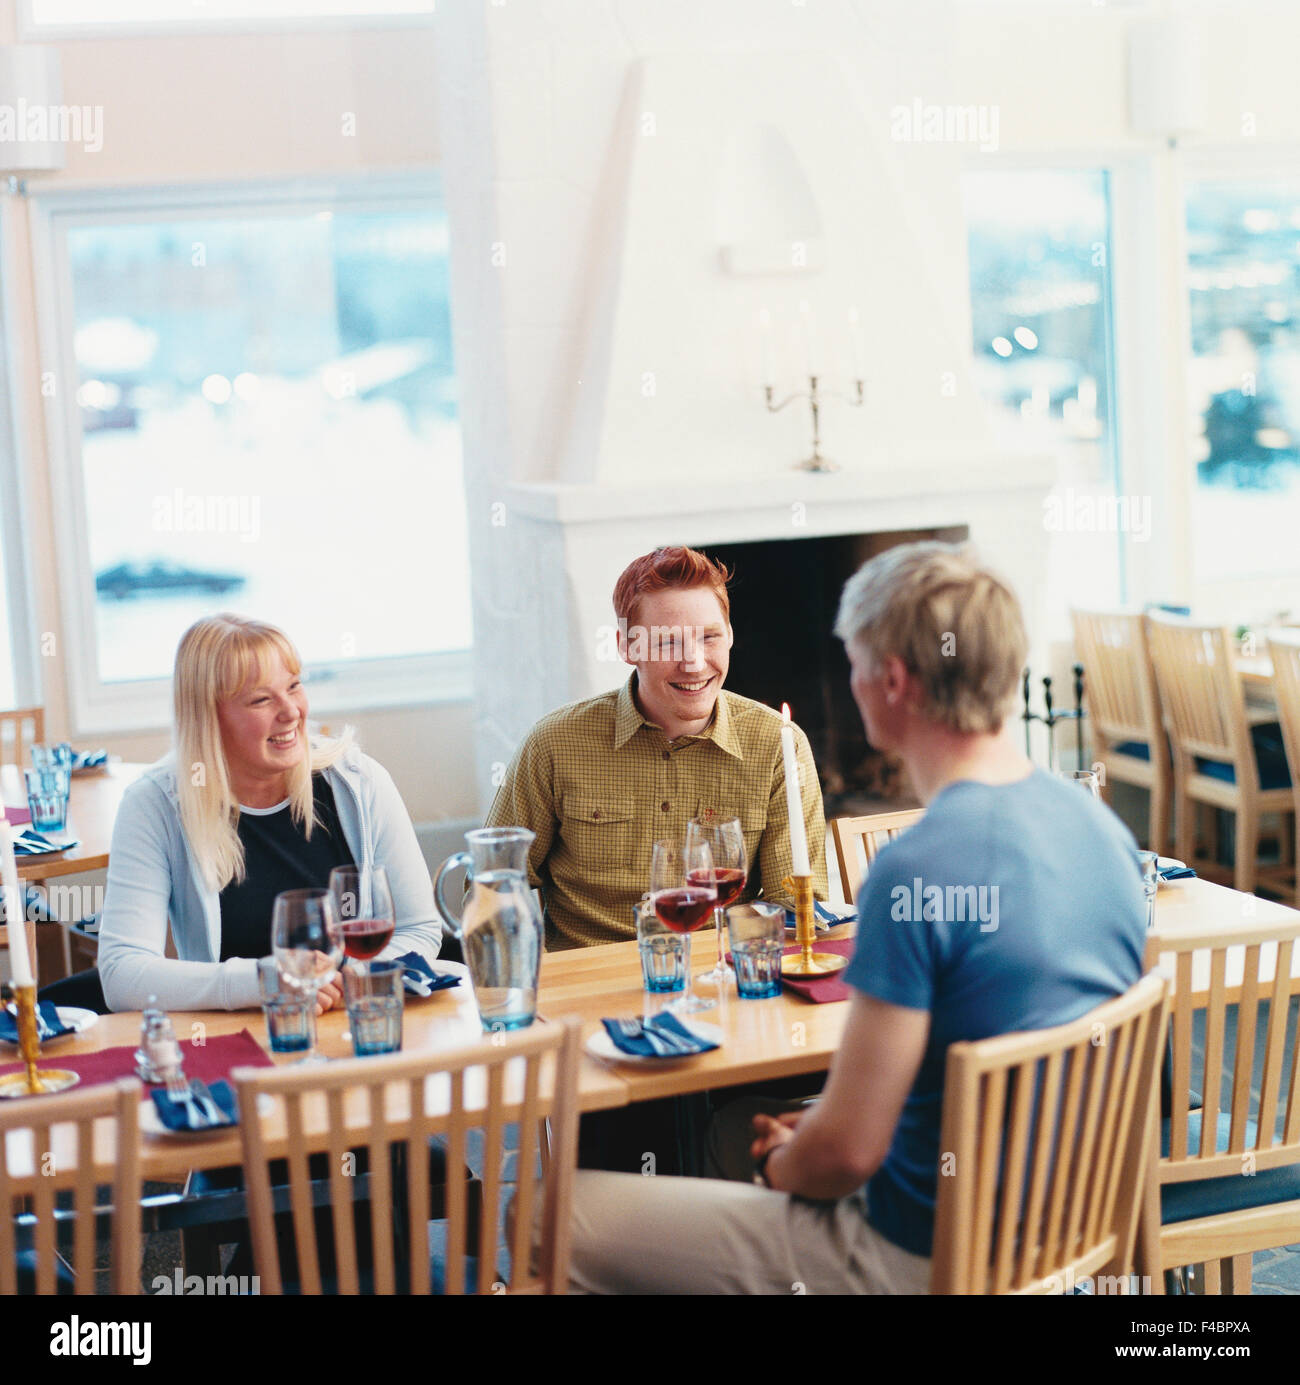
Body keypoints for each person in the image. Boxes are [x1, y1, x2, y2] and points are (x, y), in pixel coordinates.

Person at [563, 542, 1147, 1293]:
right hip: (1063, 1232)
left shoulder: (915, 870)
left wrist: (784, 1159)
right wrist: (816, 1134)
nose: (851, 678)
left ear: (894, 680)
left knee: (562, 1211)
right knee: (726, 1140)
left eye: (856, 659)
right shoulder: (1100, 828)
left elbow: (843, 1158)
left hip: (919, 1258)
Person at [484, 545, 828, 949]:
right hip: (590, 986)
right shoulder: (553, 743)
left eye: (709, 637)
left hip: (720, 978)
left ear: (730, 636)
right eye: (667, 643)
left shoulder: (777, 744)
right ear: (628, 647)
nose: (695, 663)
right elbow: (493, 884)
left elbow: (794, 905)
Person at [99, 614, 441, 1012]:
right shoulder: (154, 805)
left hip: (358, 1029)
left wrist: (359, 979)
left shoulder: (359, 782)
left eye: (294, 687)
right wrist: (267, 980)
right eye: (262, 700)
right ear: (209, 718)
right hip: (239, 1050)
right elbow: (122, 977)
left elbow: (421, 928)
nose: (291, 711)